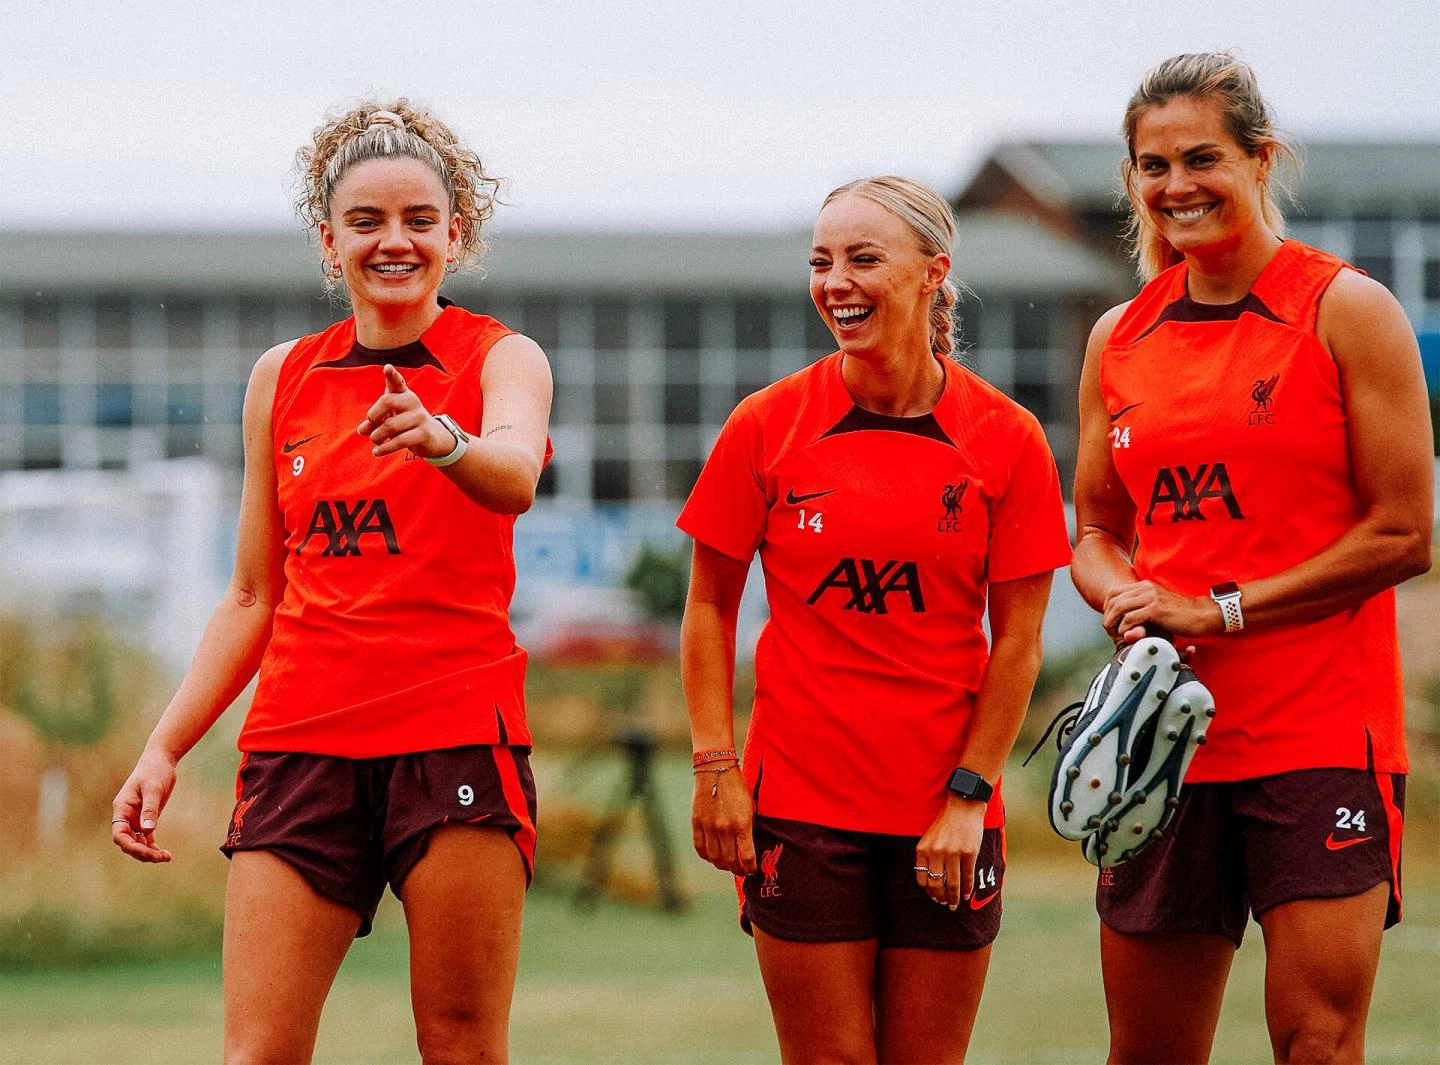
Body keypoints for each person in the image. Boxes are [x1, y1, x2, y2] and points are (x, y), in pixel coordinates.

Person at [111, 100, 553, 1064]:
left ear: (454, 233)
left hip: (454, 734)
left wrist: (444, 441)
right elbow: (250, 597)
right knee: (256, 1052)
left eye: (418, 221)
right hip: (301, 743)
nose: (394, 242)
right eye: (366, 222)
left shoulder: (498, 356)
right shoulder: (285, 376)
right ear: (329, 238)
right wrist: (162, 745)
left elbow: (515, 474)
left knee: (463, 1048)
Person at [1071, 52, 1432, 1064]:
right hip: (1164, 746)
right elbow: (1094, 533)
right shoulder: (1120, 336)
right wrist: (1124, 598)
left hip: (1320, 735)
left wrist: (1219, 611)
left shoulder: (1346, 308)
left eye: (1200, 157)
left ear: (1260, 159)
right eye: (1152, 165)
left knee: (1315, 1043)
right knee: (1148, 1052)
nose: (1175, 185)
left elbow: (1405, 533)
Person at [678, 176, 1071, 1064]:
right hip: (802, 813)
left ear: (933, 274)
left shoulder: (1005, 438)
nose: (836, 282)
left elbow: (1019, 641)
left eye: (863, 258)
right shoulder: (767, 425)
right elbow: (707, 606)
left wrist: (969, 798)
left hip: (946, 815)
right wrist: (715, 764)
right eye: (821, 261)